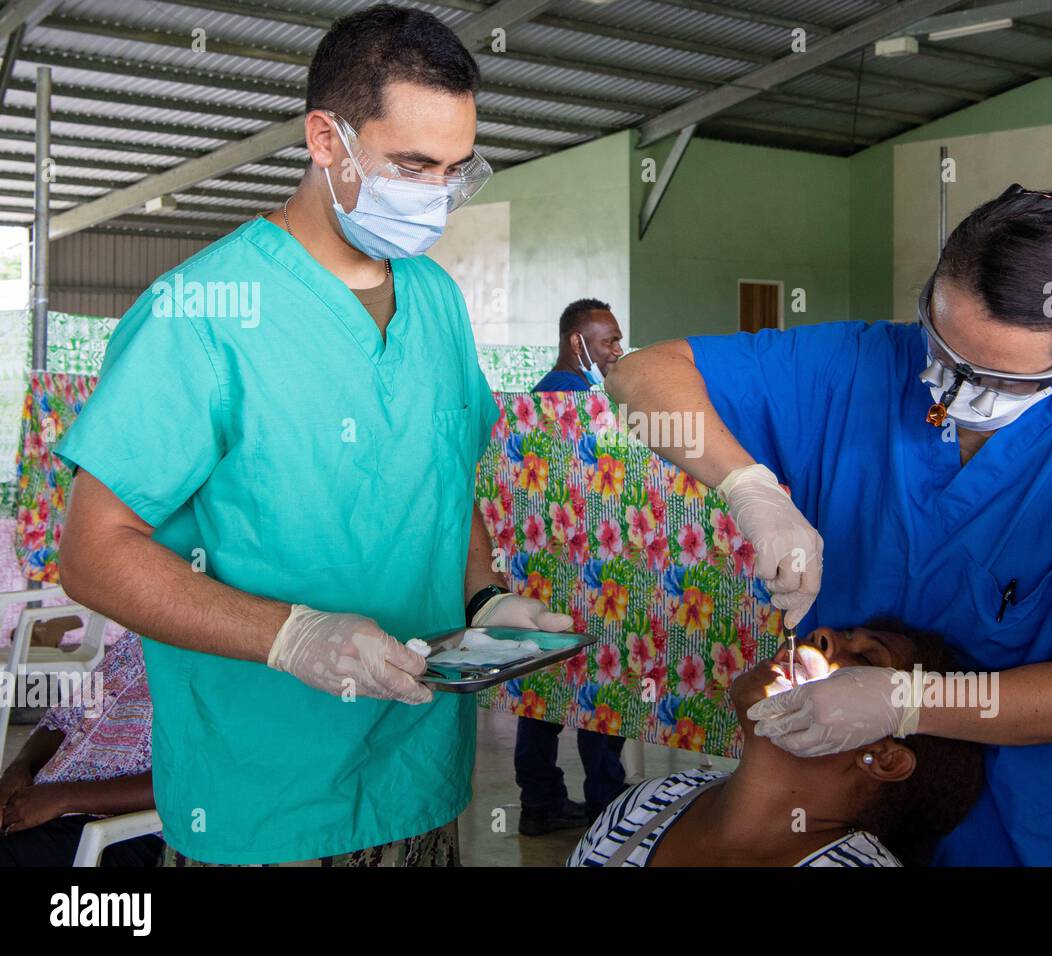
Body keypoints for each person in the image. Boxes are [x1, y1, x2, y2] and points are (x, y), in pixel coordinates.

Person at [55, 5, 571, 867]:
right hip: (263, 797)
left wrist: (486, 602)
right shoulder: (202, 314)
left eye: (454, 171)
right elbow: (94, 554)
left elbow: (443, 481)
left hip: (418, 776)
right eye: (411, 166)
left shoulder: (436, 302)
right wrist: (292, 636)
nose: (436, 195)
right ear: (326, 139)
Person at [606, 184, 1052, 866]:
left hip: (1039, 826)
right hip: (852, 816)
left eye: (1000, 379)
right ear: (931, 290)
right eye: (945, 352)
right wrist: (751, 490)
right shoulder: (853, 367)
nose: (957, 391)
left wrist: (907, 700)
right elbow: (641, 375)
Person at [568, 625, 983, 867]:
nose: (823, 636)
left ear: (885, 760)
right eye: (837, 634)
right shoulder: (649, 802)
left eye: (869, 660)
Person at [516, 299, 626, 836]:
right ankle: (605, 799)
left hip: (544, 570)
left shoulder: (539, 396)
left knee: (541, 690)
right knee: (598, 687)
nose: (618, 352)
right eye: (609, 341)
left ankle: (539, 801)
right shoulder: (584, 403)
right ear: (576, 343)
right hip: (590, 570)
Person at [0, 633, 159, 866]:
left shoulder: (217, 663)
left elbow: (188, 784)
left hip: (119, 830)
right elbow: (64, 719)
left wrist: (63, 798)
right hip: (44, 801)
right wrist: (19, 770)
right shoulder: (137, 639)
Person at [533, 297, 624, 392]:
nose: (619, 351)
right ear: (578, 343)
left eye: (618, 342)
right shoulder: (571, 392)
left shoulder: (556, 384)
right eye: (610, 342)